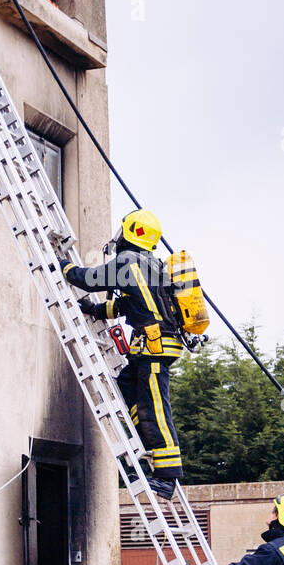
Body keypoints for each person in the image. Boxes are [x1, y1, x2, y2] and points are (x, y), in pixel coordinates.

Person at [62, 210, 184, 500]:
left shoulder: (128, 262)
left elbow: (90, 279)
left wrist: (64, 268)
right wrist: (93, 310)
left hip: (154, 349)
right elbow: (130, 306)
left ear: (130, 232)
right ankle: (146, 442)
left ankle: (167, 477)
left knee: (156, 408)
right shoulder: (152, 266)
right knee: (127, 386)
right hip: (150, 348)